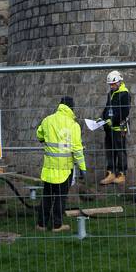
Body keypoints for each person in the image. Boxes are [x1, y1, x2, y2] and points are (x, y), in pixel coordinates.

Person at [35, 95, 86, 232]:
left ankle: (42, 224)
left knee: (47, 196)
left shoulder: (47, 120)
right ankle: (57, 225)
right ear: (71, 108)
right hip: (64, 168)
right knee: (60, 197)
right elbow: (77, 148)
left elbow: (39, 135)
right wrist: (82, 167)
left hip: (49, 167)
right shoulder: (73, 125)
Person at [99, 70, 132, 185]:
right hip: (109, 128)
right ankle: (110, 173)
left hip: (118, 128)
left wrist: (112, 120)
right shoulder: (111, 93)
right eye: (110, 85)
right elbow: (107, 107)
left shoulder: (124, 94)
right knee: (110, 150)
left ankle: (121, 174)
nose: (111, 86)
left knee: (120, 151)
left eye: (113, 84)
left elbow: (125, 111)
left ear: (119, 82)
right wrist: (102, 118)